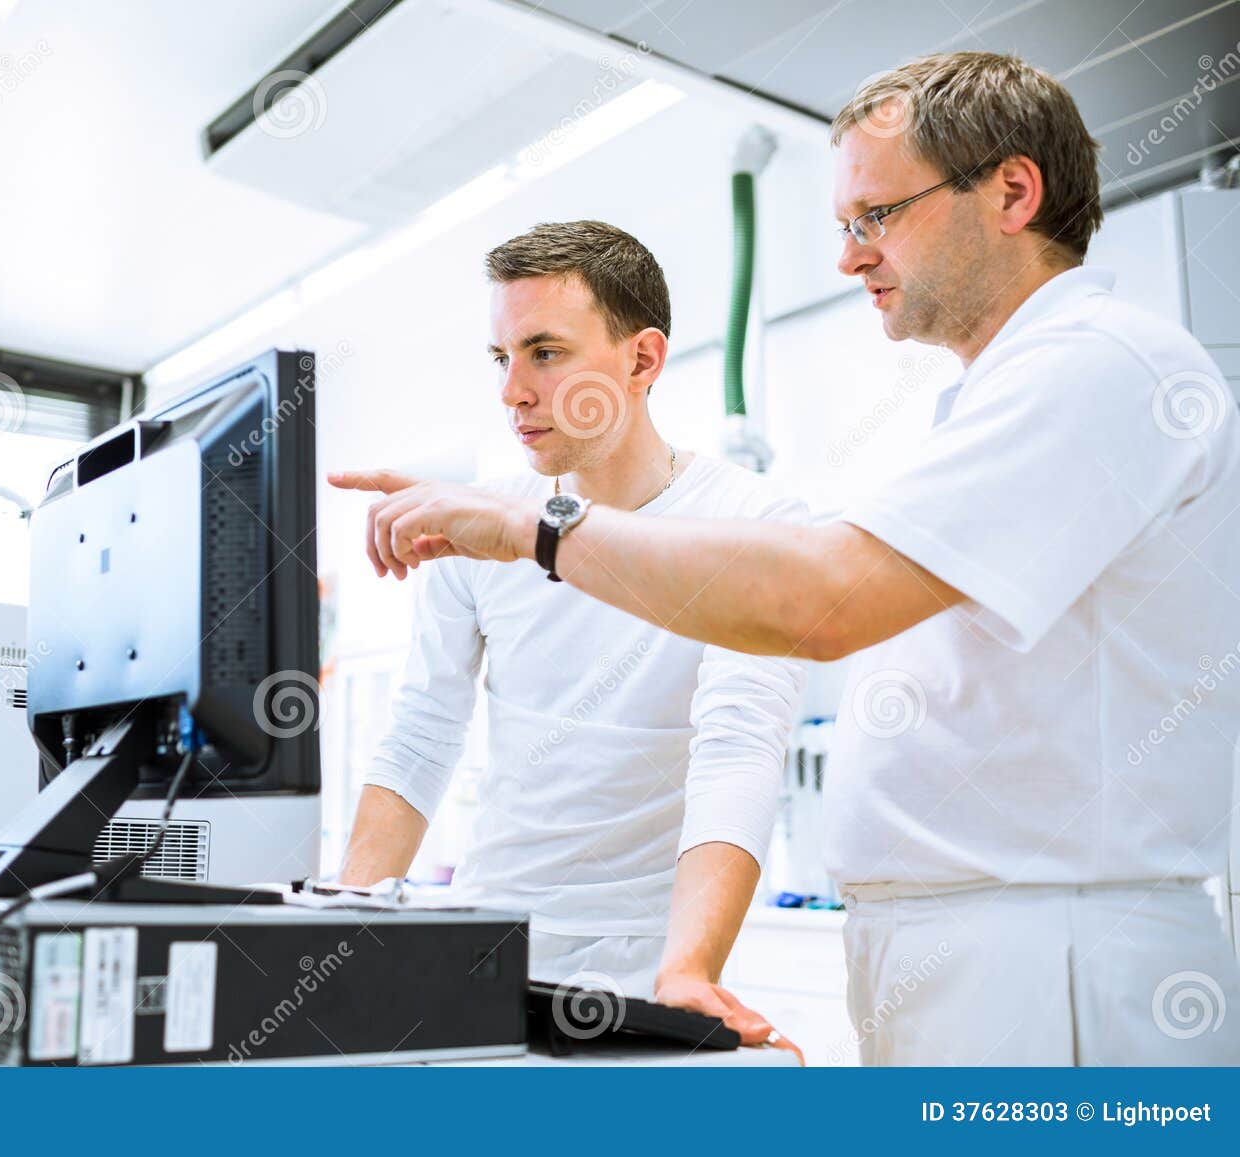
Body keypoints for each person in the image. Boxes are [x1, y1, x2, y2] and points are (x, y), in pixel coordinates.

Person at [332, 52, 1240, 1065]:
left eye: (875, 216)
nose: (851, 258)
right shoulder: (994, 397)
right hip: (977, 944)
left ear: (1011, 192)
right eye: (843, 227)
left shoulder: (1099, 365)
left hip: (1050, 952)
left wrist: (531, 530)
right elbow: (422, 731)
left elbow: (820, 603)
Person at [334, 221, 807, 1056]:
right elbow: (419, 739)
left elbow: (738, 749)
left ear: (641, 359)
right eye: (500, 356)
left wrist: (691, 966)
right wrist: (332, 933)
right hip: (490, 950)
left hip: (651, 966)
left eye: (545, 351)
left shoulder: (754, 524)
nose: (513, 389)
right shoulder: (475, 529)